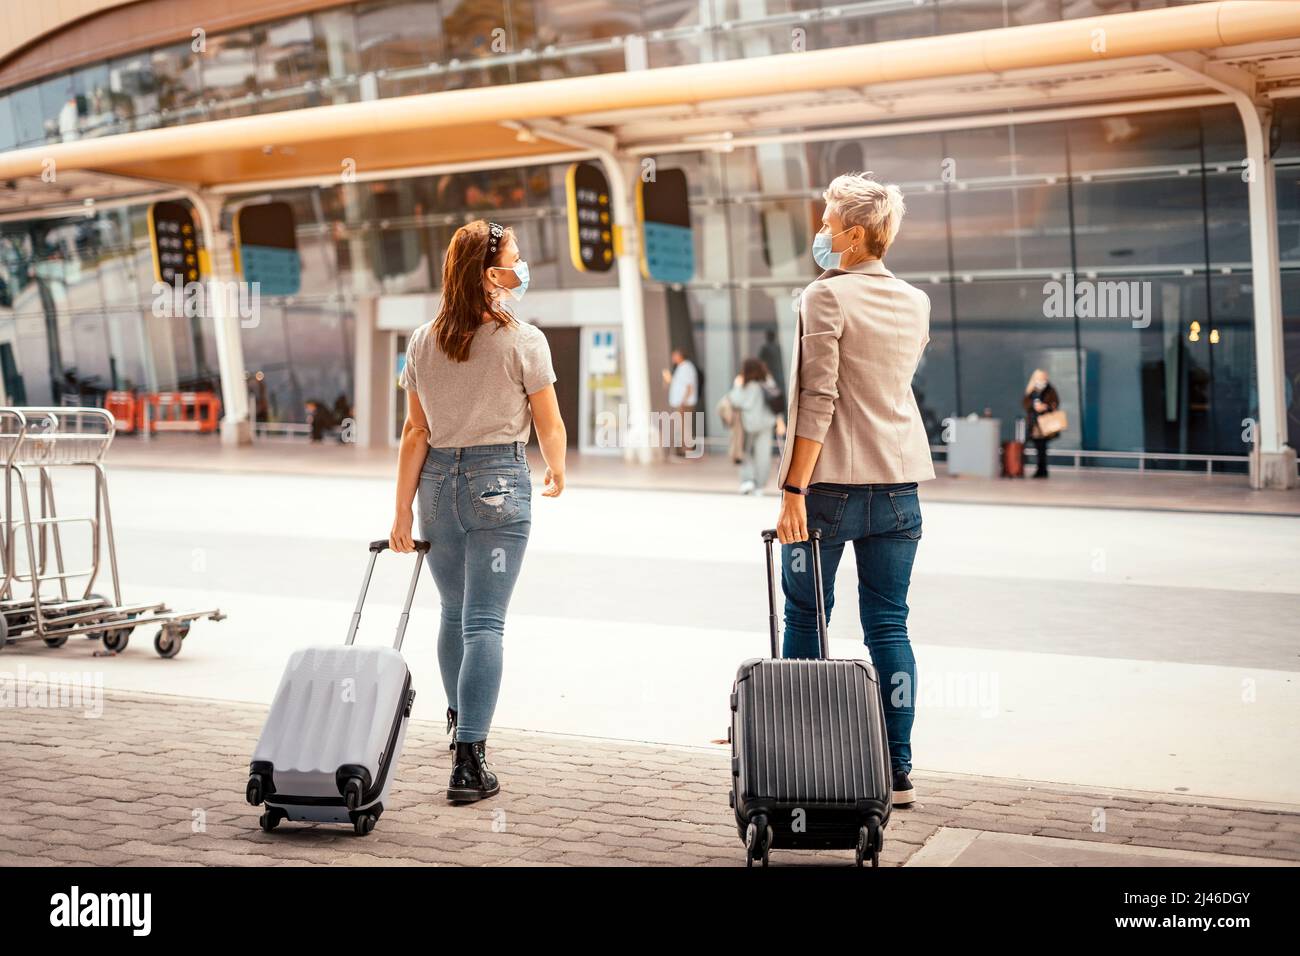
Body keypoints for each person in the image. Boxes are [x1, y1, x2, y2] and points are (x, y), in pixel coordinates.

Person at [389, 219, 567, 804]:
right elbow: (549, 423)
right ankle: (470, 761)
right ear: (492, 274)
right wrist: (557, 469)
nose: (523, 266)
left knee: (452, 611)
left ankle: (457, 720)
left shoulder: (421, 341)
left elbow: (415, 432)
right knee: (485, 621)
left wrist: (400, 516)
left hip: (435, 486)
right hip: (498, 484)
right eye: (516, 258)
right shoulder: (524, 340)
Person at [775, 172, 935, 807]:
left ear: (854, 235)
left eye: (827, 220)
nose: (820, 229)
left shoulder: (824, 298)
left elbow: (820, 399)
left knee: (805, 614)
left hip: (830, 486)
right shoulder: (916, 301)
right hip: (899, 486)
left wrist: (793, 489)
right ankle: (898, 769)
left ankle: (805, 757)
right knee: (888, 625)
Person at [728, 358, 778, 495]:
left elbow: (735, 401)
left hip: (747, 424)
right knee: (763, 455)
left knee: (745, 452)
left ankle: (747, 481)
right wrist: (779, 422)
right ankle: (760, 486)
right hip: (766, 424)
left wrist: (737, 386)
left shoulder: (743, 382)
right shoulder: (768, 381)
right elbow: (776, 402)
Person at [1022, 369, 1060, 479]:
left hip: (1045, 423)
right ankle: (1041, 469)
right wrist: (1033, 407)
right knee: (1038, 447)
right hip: (1034, 423)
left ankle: (1042, 470)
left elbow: (1055, 403)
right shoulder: (1032, 390)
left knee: (1042, 447)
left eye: (1044, 377)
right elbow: (1025, 403)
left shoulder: (1050, 389)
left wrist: (1045, 407)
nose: (1042, 379)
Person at [663, 348, 699, 458]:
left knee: (685, 427)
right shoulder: (680, 368)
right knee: (681, 427)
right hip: (681, 402)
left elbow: (689, 386)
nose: (672, 358)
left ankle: (687, 450)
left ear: (680, 356)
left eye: (674, 355)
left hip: (685, 403)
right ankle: (682, 450)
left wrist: (683, 401)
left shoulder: (686, 367)